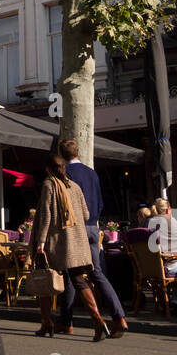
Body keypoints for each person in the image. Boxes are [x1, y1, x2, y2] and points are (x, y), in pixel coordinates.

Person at [32, 154, 111, 340]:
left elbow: (46, 215)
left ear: (48, 169)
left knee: (44, 277)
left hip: (57, 240)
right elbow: (85, 214)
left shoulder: (48, 185)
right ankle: (98, 321)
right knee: (79, 279)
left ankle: (46, 322)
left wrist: (41, 241)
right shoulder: (74, 186)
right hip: (76, 240)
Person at [54, 139, 126, 336]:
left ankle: (67, 321)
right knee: (96, 273)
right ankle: (119, 316)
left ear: (61, 155)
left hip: (75, 229)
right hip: (93, 226)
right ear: (78, 152)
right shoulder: (92, 173)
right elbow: (100, 202)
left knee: (69, 273)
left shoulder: (64, 174)